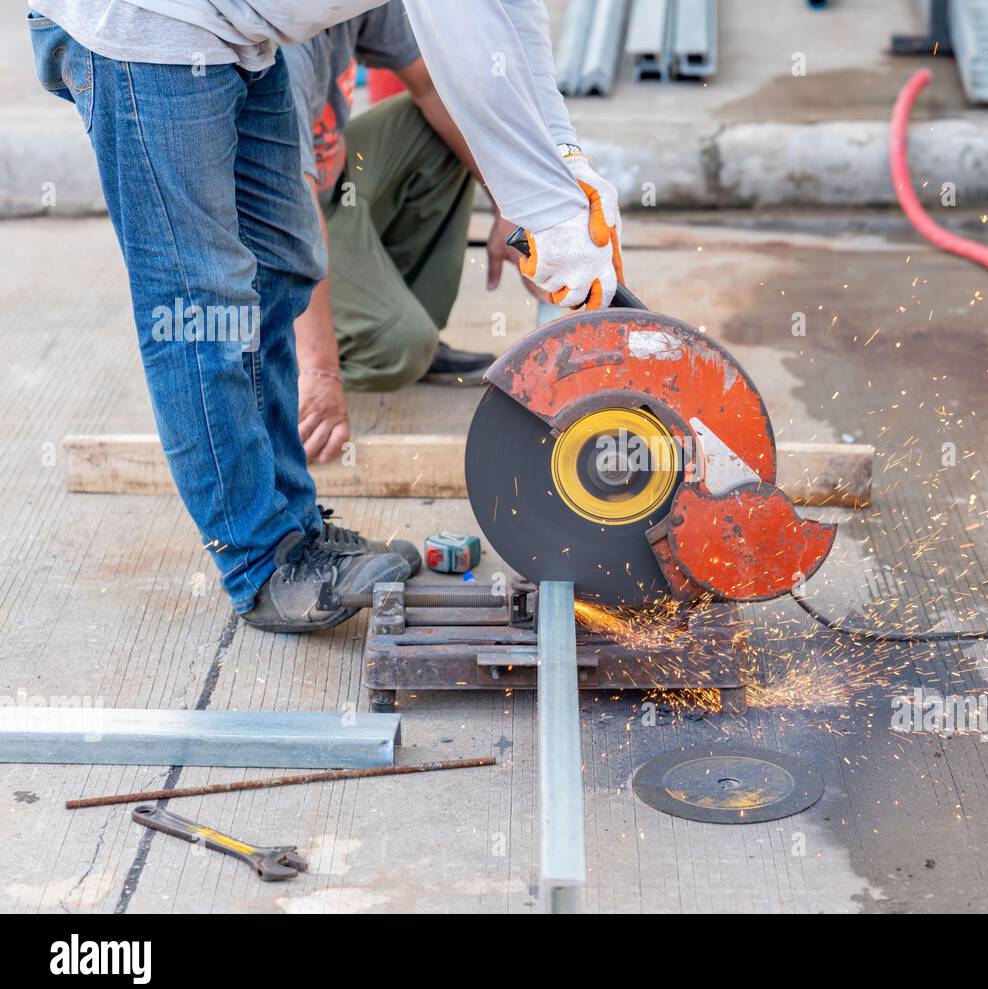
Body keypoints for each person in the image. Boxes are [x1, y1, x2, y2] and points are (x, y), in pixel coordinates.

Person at [28, 0, 624, 632]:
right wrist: (538, 198)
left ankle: (295, 531)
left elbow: (512, 21)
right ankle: (260, 563)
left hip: (241, 36)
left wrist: (564, 164)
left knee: (283, 264)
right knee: (201, 305)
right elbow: (465, 37)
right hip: (147, 28)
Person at [282, 4, 544, 463]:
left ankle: (396, 323)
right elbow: (293, 202)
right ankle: (290, 357)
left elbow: (430, 85)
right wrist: (320, 372)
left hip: (334, 179)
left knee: (454, 114)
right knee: (399, 348)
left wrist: (514, 208)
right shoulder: (287, 36)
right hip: (273, 223)